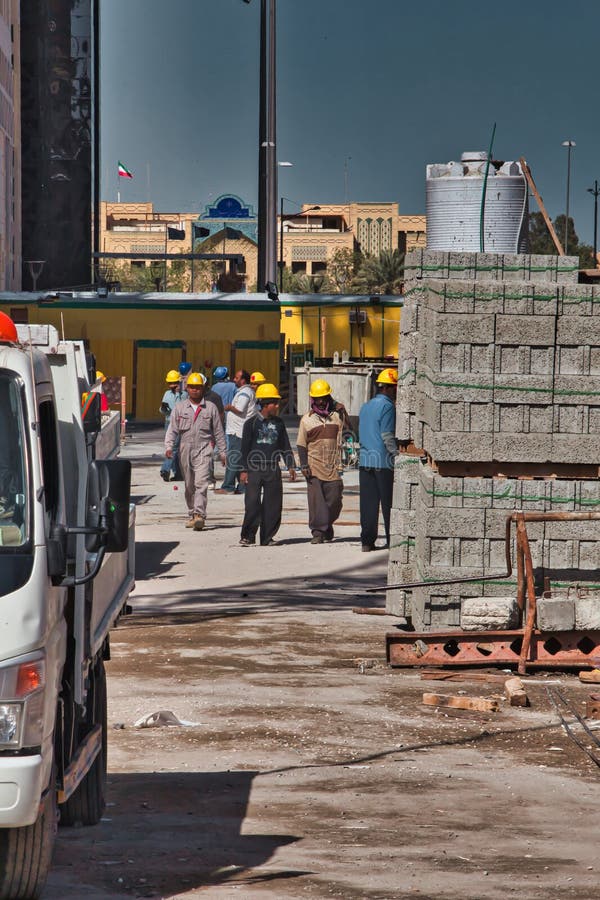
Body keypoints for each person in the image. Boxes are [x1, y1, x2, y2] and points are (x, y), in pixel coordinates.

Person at [165, 372, 226, 531]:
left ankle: (199, 515)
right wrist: (169, 446)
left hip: (204, 448)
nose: (194, 390)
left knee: (201, 482)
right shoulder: (180, 408)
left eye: (198, 387)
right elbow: (172, 429)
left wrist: (223, 452)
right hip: (185, 449)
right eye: (192, 387)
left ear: (203, 388)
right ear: (187, 388)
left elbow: (218, 431)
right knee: (189, 484)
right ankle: (192, 513)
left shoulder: (210, 408)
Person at [239, 383, 296, 546]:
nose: (277, 406)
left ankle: (267, 537)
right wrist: (243, 470)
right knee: (252, 503)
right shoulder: (251, 423)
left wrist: (290, 465)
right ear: (265, 404)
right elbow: (244, 448)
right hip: (254, 468)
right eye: (274, 403)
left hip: (272, 468)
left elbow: (285, 445)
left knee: (273, 505)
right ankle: (248, 536)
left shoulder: (279, 423)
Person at [296, 378, 344, 544]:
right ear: (313, 400)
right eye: (318, 399)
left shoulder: (336, 417)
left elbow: (349, 432)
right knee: (317, 503)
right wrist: (304, 465)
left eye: (324, 398)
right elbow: (301, 444)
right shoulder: (306, 420)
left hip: (333, 467)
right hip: (313, 467)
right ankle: (318, 532)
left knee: (335, 501)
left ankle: (327, 525)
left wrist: (341, 409)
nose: (321, 402)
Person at [358, 368, 399, 552]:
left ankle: (367, 542)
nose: (396, 392)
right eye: (395, 388)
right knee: (388, 503)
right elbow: (387, 436)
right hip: (383, 462)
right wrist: (397, 455)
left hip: (365, 460)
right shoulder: (388, 407)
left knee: (368, 504)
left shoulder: (365, 406)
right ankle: (392, 540)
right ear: (388, 388)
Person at [216, 369, 257, 494]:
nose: (234, 380)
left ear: (243, 380)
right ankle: (243, 486)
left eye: (237, 378)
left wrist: (229, 407)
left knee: (233, 459)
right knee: (240, 460)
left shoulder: (244, 393)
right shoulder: (244, 392)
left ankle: (228, 486)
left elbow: (240, 409)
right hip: (239, 430)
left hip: (238, 431)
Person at [159, 369, 186, 482]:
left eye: (174, 383)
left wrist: (178, 394)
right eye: (170, 383)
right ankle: (176, 473)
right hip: (169, 422)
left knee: (175, 448)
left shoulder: (184, 395)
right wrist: (163, 409)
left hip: (180, 423)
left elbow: (183, 408)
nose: (172, 385)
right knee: (173, 448)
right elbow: (162, 411)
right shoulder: (167, 394)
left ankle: (167, 469)